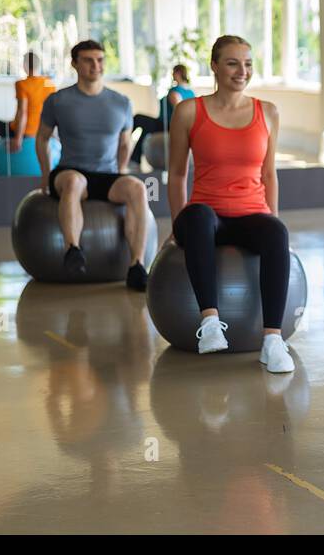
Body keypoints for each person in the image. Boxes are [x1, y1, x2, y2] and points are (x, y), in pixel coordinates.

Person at [165, 36, 294, 372]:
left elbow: (269, 174)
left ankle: (272, 341)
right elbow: (177, 174)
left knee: (277, 233)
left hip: (251, 214)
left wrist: (275, 223)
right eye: (233, 63)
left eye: (248, 63)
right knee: (197, 217)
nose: (242, 71)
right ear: (215, 66)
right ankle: (210, 322)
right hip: (206, 217)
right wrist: (176, 226)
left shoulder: (267, 112)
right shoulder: (189, 111)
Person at [35, 40, 152, 291]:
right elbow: (42, 138)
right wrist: (45, 176)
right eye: (88, 60)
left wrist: (121, 170)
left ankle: (137, 266)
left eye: (99, 60)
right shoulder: (58, 100)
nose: (95, 66)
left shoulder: (121, 102)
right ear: (75, 64)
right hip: (70, 171)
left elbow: (124, 142)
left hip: (107, 175)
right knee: (75, 182)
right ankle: (73, 250)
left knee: (138, 188)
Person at [132, 64, 194, 166]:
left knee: (139, 118)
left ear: (178, 73)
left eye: (173, 72)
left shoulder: (175, 91)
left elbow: (179, 111)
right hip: (173, 125)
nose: (172, 75)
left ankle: (123, 145)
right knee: (146, 128)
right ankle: (135, 159)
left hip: (168, 125)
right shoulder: (190, 92)